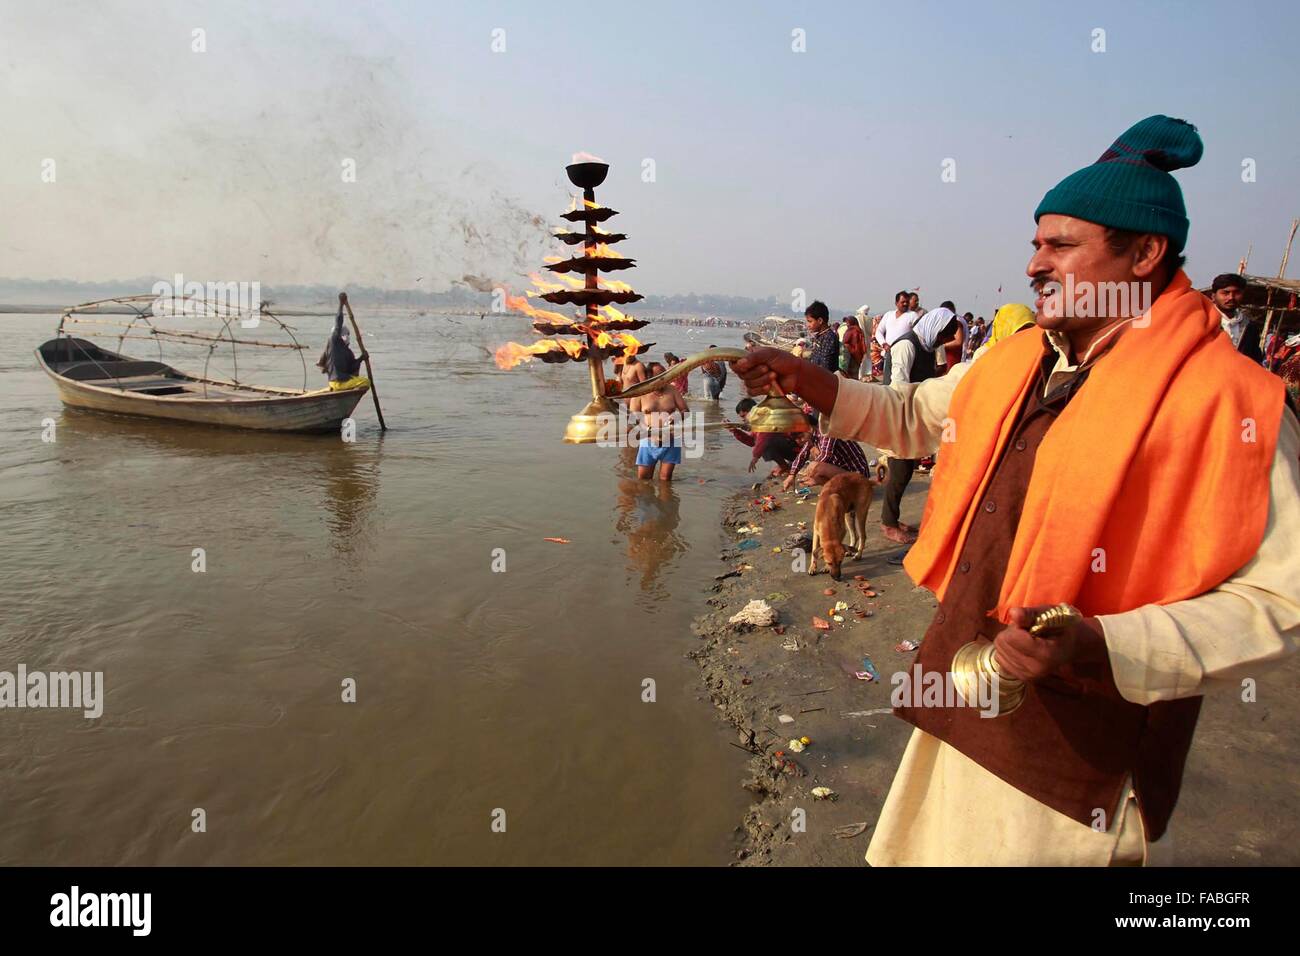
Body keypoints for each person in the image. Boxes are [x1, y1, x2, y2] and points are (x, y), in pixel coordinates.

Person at [732, 115, 1299, 866]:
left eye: (1061, 245)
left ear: (1145, 254)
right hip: (967, 695)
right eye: (1035, 244)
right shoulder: (1021, 360)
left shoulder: (1232, 400)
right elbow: (913, 416)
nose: (1035, 264)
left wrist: (1103, 642)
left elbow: (1281, 603)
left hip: (1081, 758)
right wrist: (816, 382)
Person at [629, 361, 688, 481]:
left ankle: (665, 499)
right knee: (644, 479)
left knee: (665, 479)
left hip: (671, 439)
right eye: (660, 375)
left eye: (664, 374)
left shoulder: (672, 390)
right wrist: (645, 427)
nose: (664, 378)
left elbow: (685, 410)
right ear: (650, 377)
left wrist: (676, 417)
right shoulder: (639, 393)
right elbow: (633, 417)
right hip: (649, 440)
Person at [783, 416, 873, 490]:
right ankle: (839, 490)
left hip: (859, 474)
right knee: (815, 467)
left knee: (817, 467)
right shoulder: (812, 438)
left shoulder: (826, 431)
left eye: (801, 436)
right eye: (797, 439)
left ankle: (853, 490)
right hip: (845, 472)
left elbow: (826, 455)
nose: (800, 441)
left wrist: (811, 471)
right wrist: (791, 475)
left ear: (809, 428)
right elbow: (802, 456)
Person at [727, 397, 798, 476]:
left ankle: (784, 467)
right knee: (762, 444)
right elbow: (752, 441)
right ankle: (784, 466)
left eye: (744, 416)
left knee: (765, 444)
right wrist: (735, 431)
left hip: (798, 450)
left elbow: (763, 438)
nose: (743, 420)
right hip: (791, 450)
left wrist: (755, 457)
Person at [316, 293, 369, 390]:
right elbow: (338, 322)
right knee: (366, 382)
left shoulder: (347, 351)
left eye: (348, 335)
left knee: (360, 380)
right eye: (345, 335)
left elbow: (351, 368)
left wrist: (362, 358)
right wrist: (341, 304)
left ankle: (348, 390)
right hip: (337, 382)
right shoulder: (334, 341)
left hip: (341, 381)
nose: (347, 337)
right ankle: (347, 391)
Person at [1208, 273, 1264, 363]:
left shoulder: (1249, 327)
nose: (1231, 297)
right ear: (1213, 296)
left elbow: (1255, 360)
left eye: (1237, 293)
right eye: (1225, 293)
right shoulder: (1204, 321)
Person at [874, 291, 918, 385]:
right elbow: (879, 332)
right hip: (888, 352)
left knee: (900, 381)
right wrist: (884, 344)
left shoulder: (913, 316)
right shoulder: (888, 315)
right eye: (903, 302)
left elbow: (917, 335)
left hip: (903, 354)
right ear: (896, 303)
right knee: (887, 382)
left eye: (907, 302)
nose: (905, 304)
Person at [803, 301, 839, 374]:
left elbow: (825, 366)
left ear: (820, 321)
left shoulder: (829, 338)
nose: (808, 325)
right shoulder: (820, 336)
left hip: (824, 380)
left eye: (810, 321)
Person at [840, 315, 867, 379]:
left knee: (848, 375)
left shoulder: (850, 330)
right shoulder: (859, 330)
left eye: (848, 322)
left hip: (850, 354)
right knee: (855, 374)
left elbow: (845, 342)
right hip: (858, 355)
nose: (847, 324)